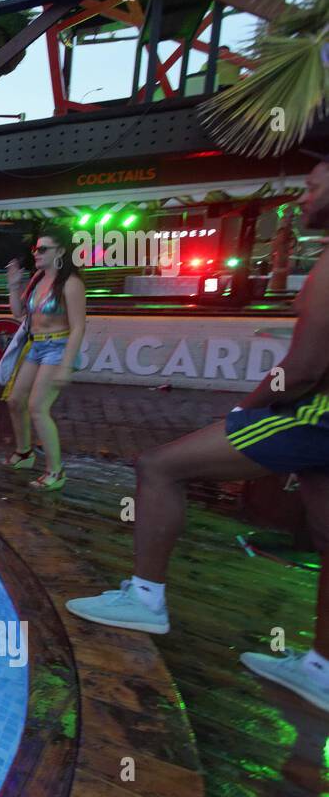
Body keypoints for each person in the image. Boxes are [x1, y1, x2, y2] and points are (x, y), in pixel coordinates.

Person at [67, 153, 329, 715]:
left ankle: (145, 599)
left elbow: (303, 369)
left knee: (159, 466)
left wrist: (243, 413)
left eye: (312, 186)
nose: (302, 196)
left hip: (318, 415)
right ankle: (321, 670)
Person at [1, 226, 87, 491]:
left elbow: (78, 327)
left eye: (42, 249)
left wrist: (65, 366)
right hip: (35, 346)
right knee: (16, 401)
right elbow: (18, 314)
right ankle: (25, 453)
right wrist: (13, 285)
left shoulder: (71, 283)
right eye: (35, 249)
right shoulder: (38, 278)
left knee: (38, 408)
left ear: (60, 251)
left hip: (57, 347)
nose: (36, 253)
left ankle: (56, 471)